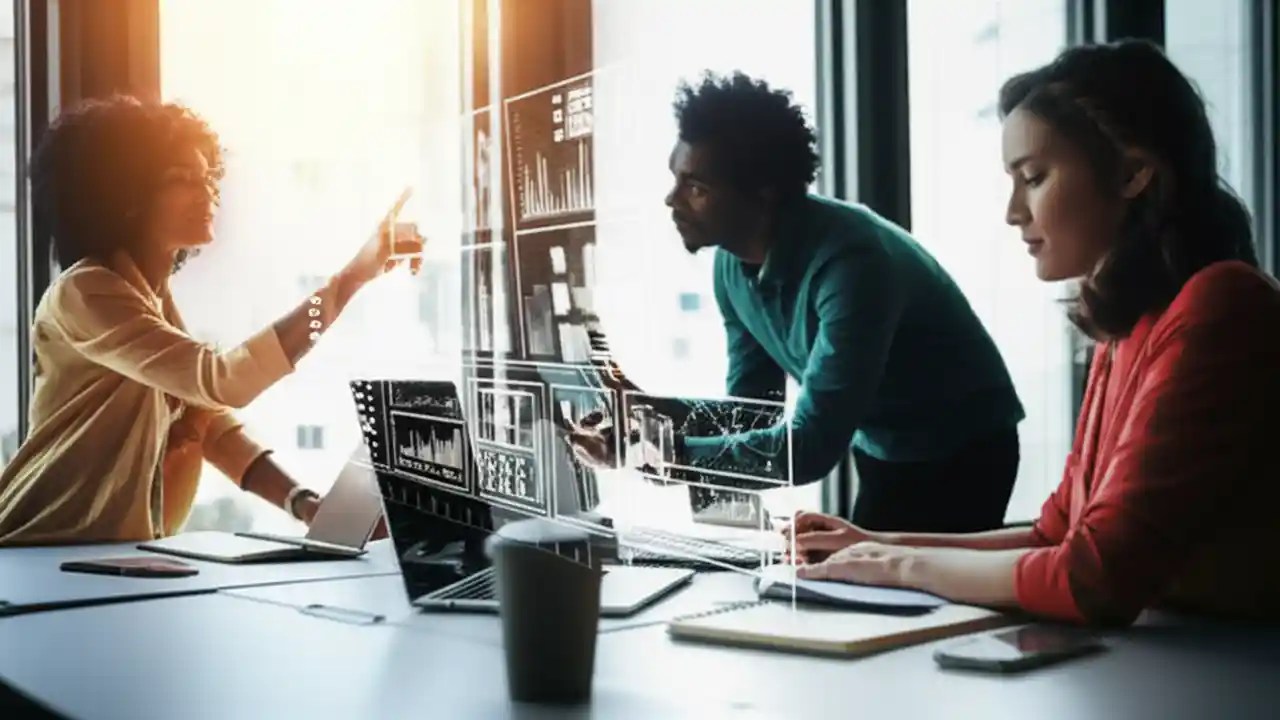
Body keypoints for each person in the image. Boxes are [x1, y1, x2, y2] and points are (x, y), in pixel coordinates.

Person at [786, 40, 1280, 626]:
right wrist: (876, 542)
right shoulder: (1126, 330)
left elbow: (1092, 574)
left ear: (1131, 172)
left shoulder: (1221, 303)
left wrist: (897, 567)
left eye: (1034, 177)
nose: (1014, 211)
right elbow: (1057, 534)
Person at [570, 72, 1025, 534]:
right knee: (871, 586)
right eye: (676, 178)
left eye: (696, 186)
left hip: (965, 452)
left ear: (763, 192)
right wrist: (654, 412)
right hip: (881, 444)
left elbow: (809, 450)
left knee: (913, 597)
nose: (672, 199)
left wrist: (659, 454)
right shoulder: (730, 264)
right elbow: (754, 409)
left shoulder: (852, 266)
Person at [0, 96, 424, 545]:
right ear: (126, 197)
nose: (207, 193)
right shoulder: (86, 292)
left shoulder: (149, 296)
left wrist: (305, 504)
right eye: (181, 179)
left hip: (104, 555)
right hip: (35, 548)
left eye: (207, 178)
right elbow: (224, 381)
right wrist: (349, 282)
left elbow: (210, 425)